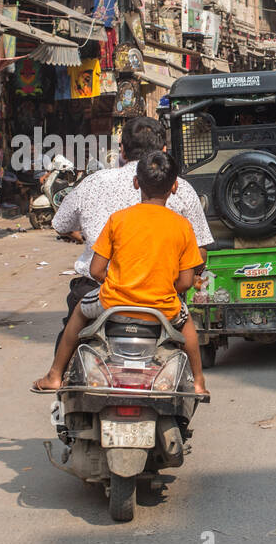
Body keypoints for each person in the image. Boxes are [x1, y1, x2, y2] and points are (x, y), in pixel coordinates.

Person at [33, 151, 208, 396]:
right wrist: (161, 288)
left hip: (112, 304)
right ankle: (199, 382)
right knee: (187, 324)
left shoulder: (118, 219)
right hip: (162, 309)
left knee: (80, 311)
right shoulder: (182, 226)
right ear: (175, 186)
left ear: (137, 183)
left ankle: (54, 375)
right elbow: (186, 281)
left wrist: (120, 282)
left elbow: (95, 270)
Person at [51, 116, 212, 349]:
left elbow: (61, 224)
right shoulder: (181, 189)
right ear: (164, 151)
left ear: (123, 150)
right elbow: (200, 253)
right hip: (161, 296)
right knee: (183, 344)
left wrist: (87, 239)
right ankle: (196, 382)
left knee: (72, 335)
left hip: (101, 292)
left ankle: (56, 375)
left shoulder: (94, 184)